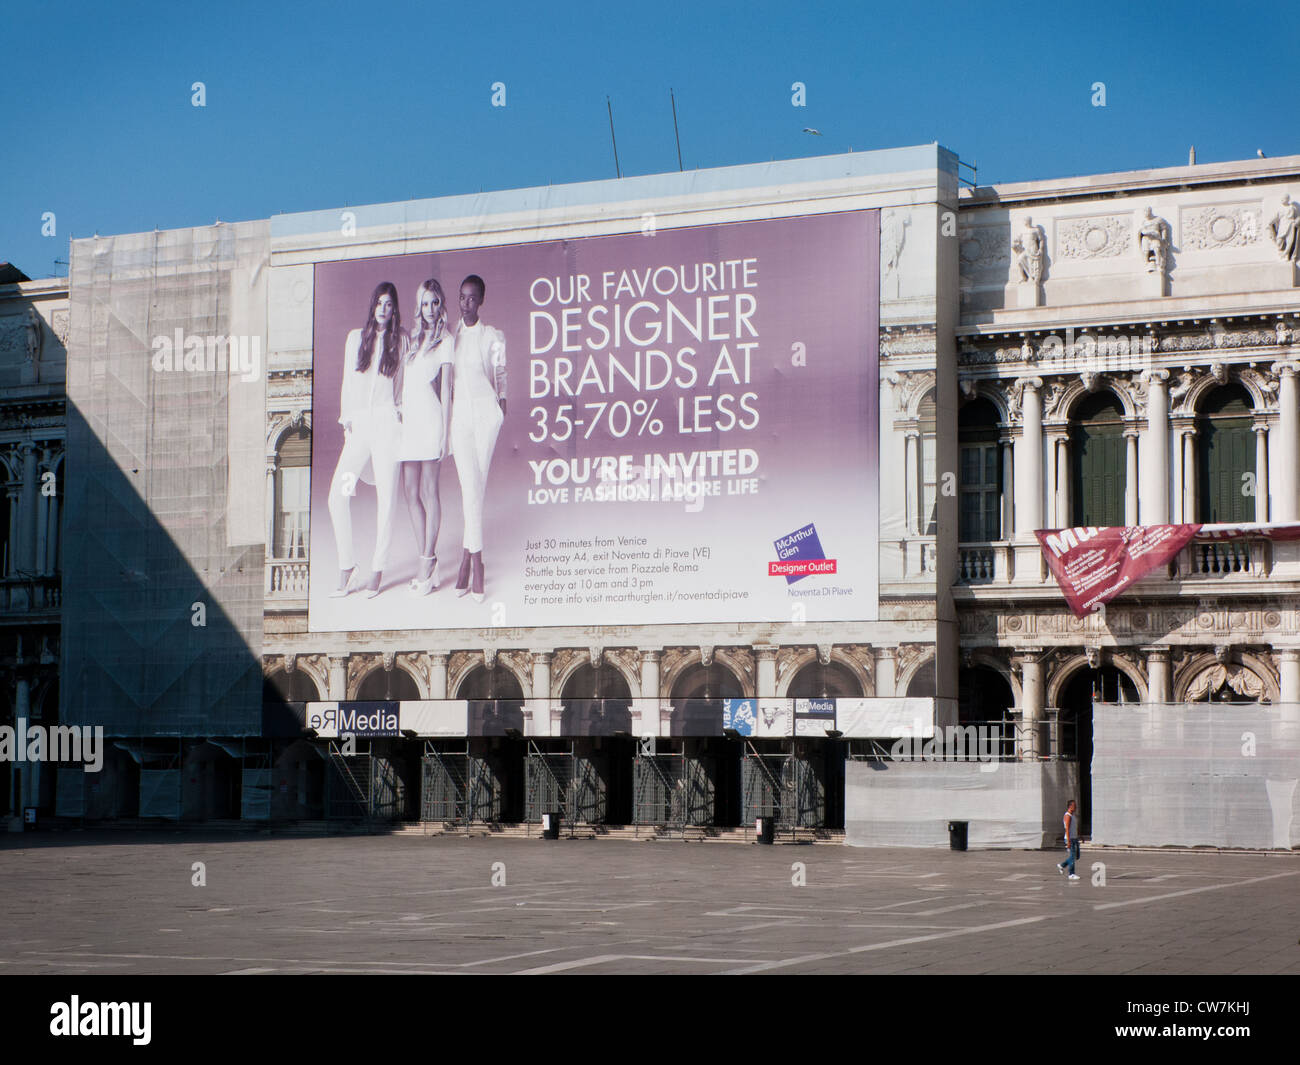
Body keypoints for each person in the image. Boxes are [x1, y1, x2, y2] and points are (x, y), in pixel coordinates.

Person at [327, 281, 407, 599]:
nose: (384, 309)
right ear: (372, 305)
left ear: (394, 308)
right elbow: (348, 383)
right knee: (337, 496)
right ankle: (347, 566)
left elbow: (400, 387)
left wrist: (400, 418)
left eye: (389, 304)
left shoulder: (400, 341)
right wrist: (349, 424)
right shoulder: (354, 340)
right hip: (360, 424)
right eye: (379, 302)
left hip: (388, 423)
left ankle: (377, 568)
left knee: (386, 499)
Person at [449, 274, 506, 603]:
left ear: (481, 301)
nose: (466, 303)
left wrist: (502, 403)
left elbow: (501, 371)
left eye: (472, 298)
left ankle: (468, 564)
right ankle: (475, 560)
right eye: (462, 297)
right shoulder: (450, 336)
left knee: (476, 487)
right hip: (461, 418)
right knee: (470, 487)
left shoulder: (491, 335)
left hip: (485, 414)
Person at [398, 279, 455, 596]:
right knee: (409, 491)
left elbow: (446, 392)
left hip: (432, 420)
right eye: (425, 303)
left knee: (429, 490)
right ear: (418, 306)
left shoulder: (445, 341)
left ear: (441, 305)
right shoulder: (414, 339)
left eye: (435, 303)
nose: (430, 309)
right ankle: (428, 562)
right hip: (410, 423)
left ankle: (426, 561)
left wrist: (446, 434)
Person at [1056, 798, 1080, 880]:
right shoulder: (1067, 816)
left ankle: (1062, 865)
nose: (1076, 807)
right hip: (1070, 839)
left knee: (1077, 856)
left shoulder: (1073, 816)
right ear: (1070, 806)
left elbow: (1074, 827)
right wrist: (1068, 841)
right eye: (1074, 806)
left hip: (1075, 838)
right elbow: (1067, 828)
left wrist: (1080, 835)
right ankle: (1071, 874)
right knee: (1073, 857)